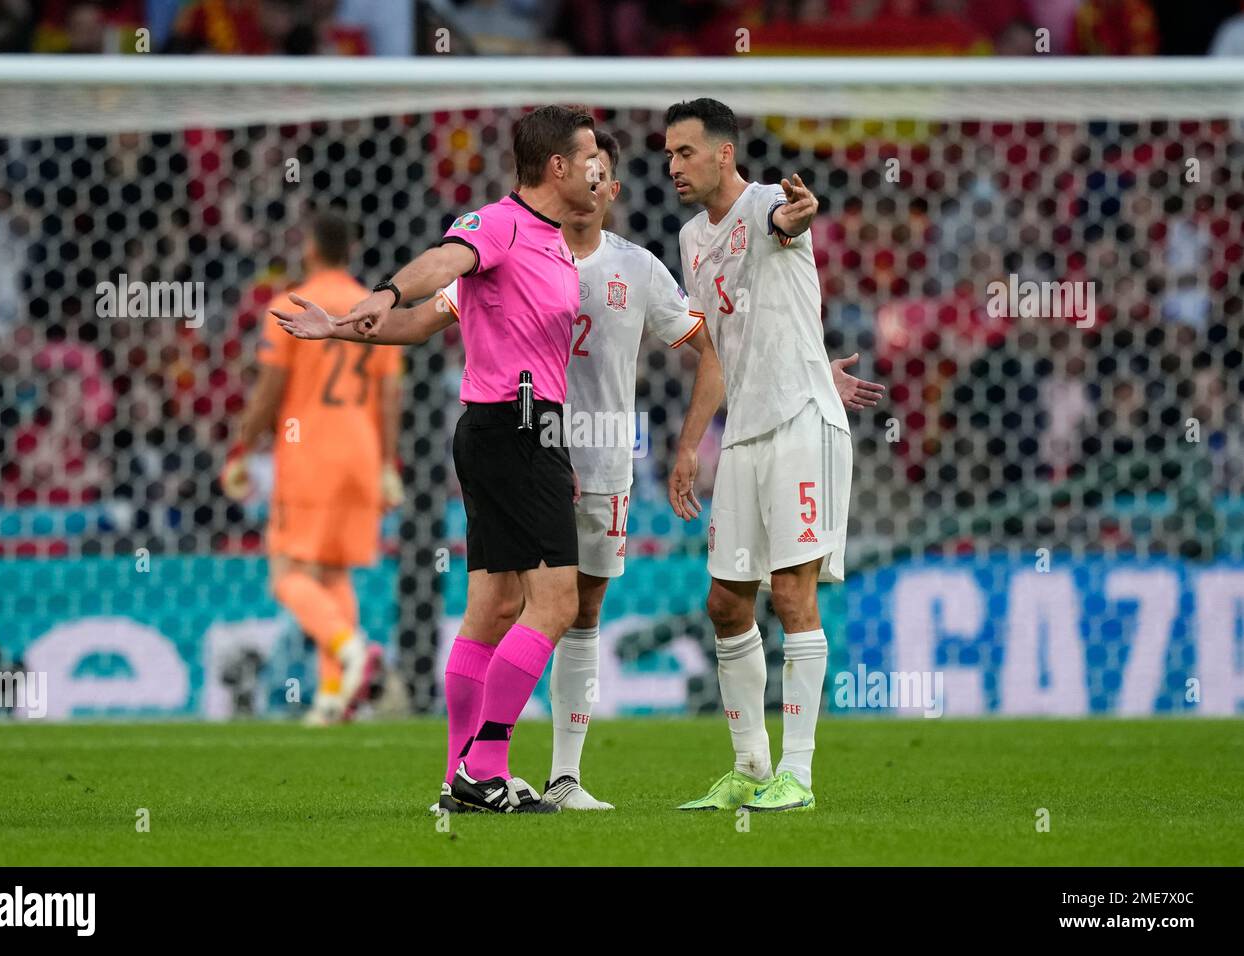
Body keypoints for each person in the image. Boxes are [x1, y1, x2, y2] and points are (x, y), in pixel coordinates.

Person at [273, 105, 600, 813]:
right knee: (557, 603)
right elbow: (441, 263)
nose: (600, 167)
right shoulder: (502, 226)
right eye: (591, 155)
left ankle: (460, 779)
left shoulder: (550, 243)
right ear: (558, 167)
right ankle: (483, 767)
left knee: (494, 606)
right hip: (514, 430)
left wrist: (341, 329)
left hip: (506, 431)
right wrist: (381, 293)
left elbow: (423, 326)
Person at [665, 97, 871, 813]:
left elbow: (790, 225)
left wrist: (800, 213)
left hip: (801, 422)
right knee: (725, 603)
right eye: (667, 154)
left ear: (724, 152)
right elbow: (716, 352)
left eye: (685, 151)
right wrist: (690, 445)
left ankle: (800, 777)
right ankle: (751, 767)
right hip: (747, 429)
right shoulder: (691, 239)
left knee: (791, 593)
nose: (673, 165)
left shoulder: (766, 206)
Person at [222, 212, 403, 726]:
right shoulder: (374, 306)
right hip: (362, 453)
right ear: (352, 249)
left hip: (310, 454)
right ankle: (332, 698)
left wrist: (240, 448)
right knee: (332, 573)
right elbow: (391, 395)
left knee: (286, 574)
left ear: (309, 248)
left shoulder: (289, 306)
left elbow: (269, 391)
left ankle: (350, 652)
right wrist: (389, 463)